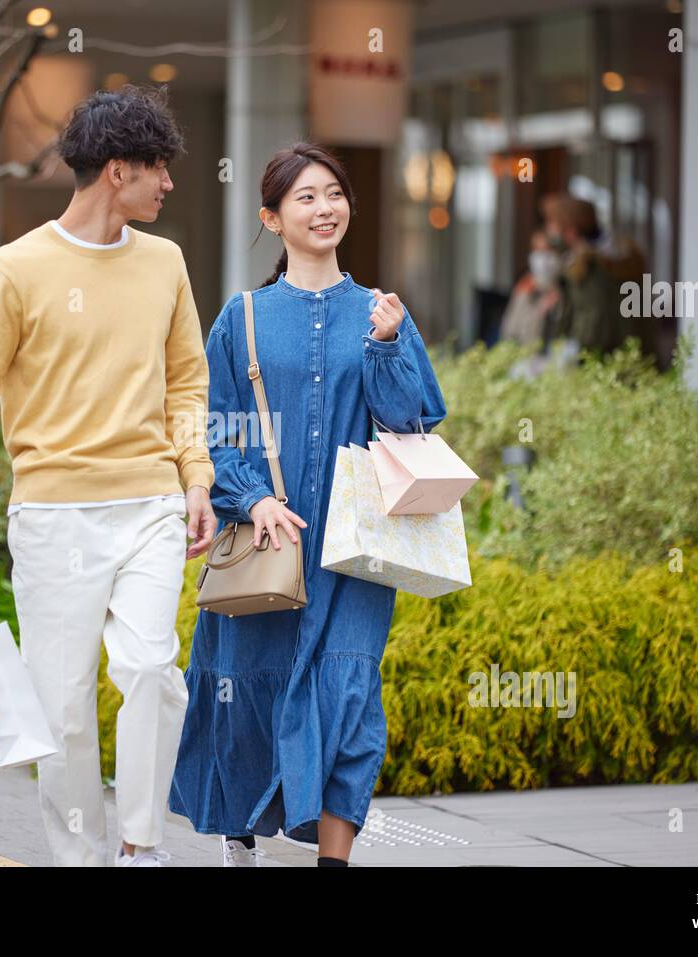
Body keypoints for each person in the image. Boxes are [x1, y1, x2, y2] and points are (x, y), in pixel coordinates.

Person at [0, 84, 217, 868]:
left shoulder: (164, 263)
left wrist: (196, 481)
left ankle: (140, 844)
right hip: (53, 515)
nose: (168, 182)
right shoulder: (16, 267)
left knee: (153, 671)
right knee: (61, 712)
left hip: (150, 506)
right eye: (157, 167)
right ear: (116, 171)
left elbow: (187, 383)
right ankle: (80, 858)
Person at [168, 143, 448, 866]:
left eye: (334, 194)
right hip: (268, 540)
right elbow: (216, 429)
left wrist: (388, 346)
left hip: (356, 547)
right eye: (306, 198)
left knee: (348, 691)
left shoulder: (381, 311)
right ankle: (241, 832)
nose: (325, 208)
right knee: (250, 691)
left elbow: (413, 422)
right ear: (272, 217)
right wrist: (251, 497)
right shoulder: (245, 317)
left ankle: (333, 860)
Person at [540, 194, 655, 359]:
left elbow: (593, 326)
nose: (549, 231)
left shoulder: (591, 269)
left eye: (553, 224)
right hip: (632, 360)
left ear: (570, 230)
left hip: (602, 367)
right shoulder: (616, 257)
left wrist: (570, 358)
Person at [498, 229, 561, 347]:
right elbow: (510, 332)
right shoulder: (524, 288)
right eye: (538, 251)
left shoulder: (565, 290)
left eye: (548, 251)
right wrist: (539, 311)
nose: (543, 260)